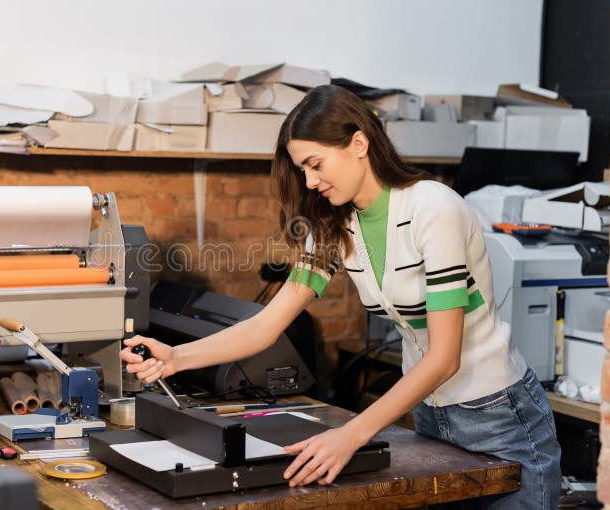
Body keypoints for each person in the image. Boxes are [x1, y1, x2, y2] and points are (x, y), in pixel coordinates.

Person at [121, 85, 561, 509]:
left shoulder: (433, 209)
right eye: (302, 171)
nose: (310, 182)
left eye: (315, 164)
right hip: (430, 415)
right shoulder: (334, 227)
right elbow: (266, 325)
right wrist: (177, 358)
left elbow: (445, 357)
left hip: (500, 417)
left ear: (358, 143)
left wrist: (351, 435)